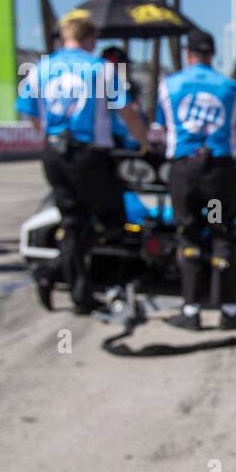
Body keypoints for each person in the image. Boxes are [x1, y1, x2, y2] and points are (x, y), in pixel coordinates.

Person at [18, 17, 149, 314]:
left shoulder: (40, 69)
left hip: (54, 153)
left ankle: (67, 285)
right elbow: (127, 113)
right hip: (87, 155)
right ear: (91, 38)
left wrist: (49, 136)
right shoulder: (100, 69)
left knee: (74, 222)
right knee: (115, 219)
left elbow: (29, 111)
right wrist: (145, 142)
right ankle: (58, 272)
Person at [155, 30, 236, 331]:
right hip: (218, 174)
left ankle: (191, 310)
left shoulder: (169, 86)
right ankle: (230, 311)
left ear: (188, 53)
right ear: (212, 55)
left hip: (185, 172)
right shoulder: (231, 88)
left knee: (189, 234)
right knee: (221, 233)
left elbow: (160, 129)